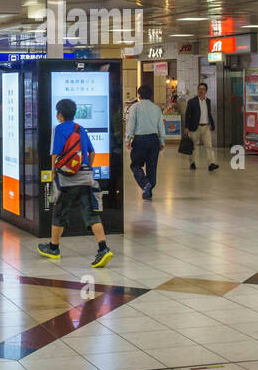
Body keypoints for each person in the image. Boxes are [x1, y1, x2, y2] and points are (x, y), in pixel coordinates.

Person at [37, 97, 113, 268]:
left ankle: (54, 248)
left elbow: (55, 156)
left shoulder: (58, 129)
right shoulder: (81, 129)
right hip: (86, 178)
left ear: (60, 114)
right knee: (91, 214)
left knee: (59, 212)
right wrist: (86, 169)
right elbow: (92, 152)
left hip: (66, 179)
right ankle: (103, 248)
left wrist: (54, 175)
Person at [126, 83, 165, 201]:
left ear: (139, 95)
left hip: (140, 140)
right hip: (154, 139)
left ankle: (145, 183)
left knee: (136, 165)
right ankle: (148, 191)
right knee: (152, 166)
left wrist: (128, 139)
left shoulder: (135, 107)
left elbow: (131, 124)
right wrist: (162, 141)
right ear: (151, 95)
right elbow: (161, 126)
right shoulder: (156, 108)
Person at [183, 81, 218, 172]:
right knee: (193, 146)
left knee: (209, 146)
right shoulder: (192, 101)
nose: (201, 91)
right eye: (199, 89)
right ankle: (192, 162)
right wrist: (186, 127)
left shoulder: (208, 101)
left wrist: (212, 124)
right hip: (195, 127)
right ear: (197, 90)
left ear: (206, 91)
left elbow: (209, 114)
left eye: (203, 89)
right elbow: (187, 115)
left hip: (206, 127)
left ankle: (211, 164)